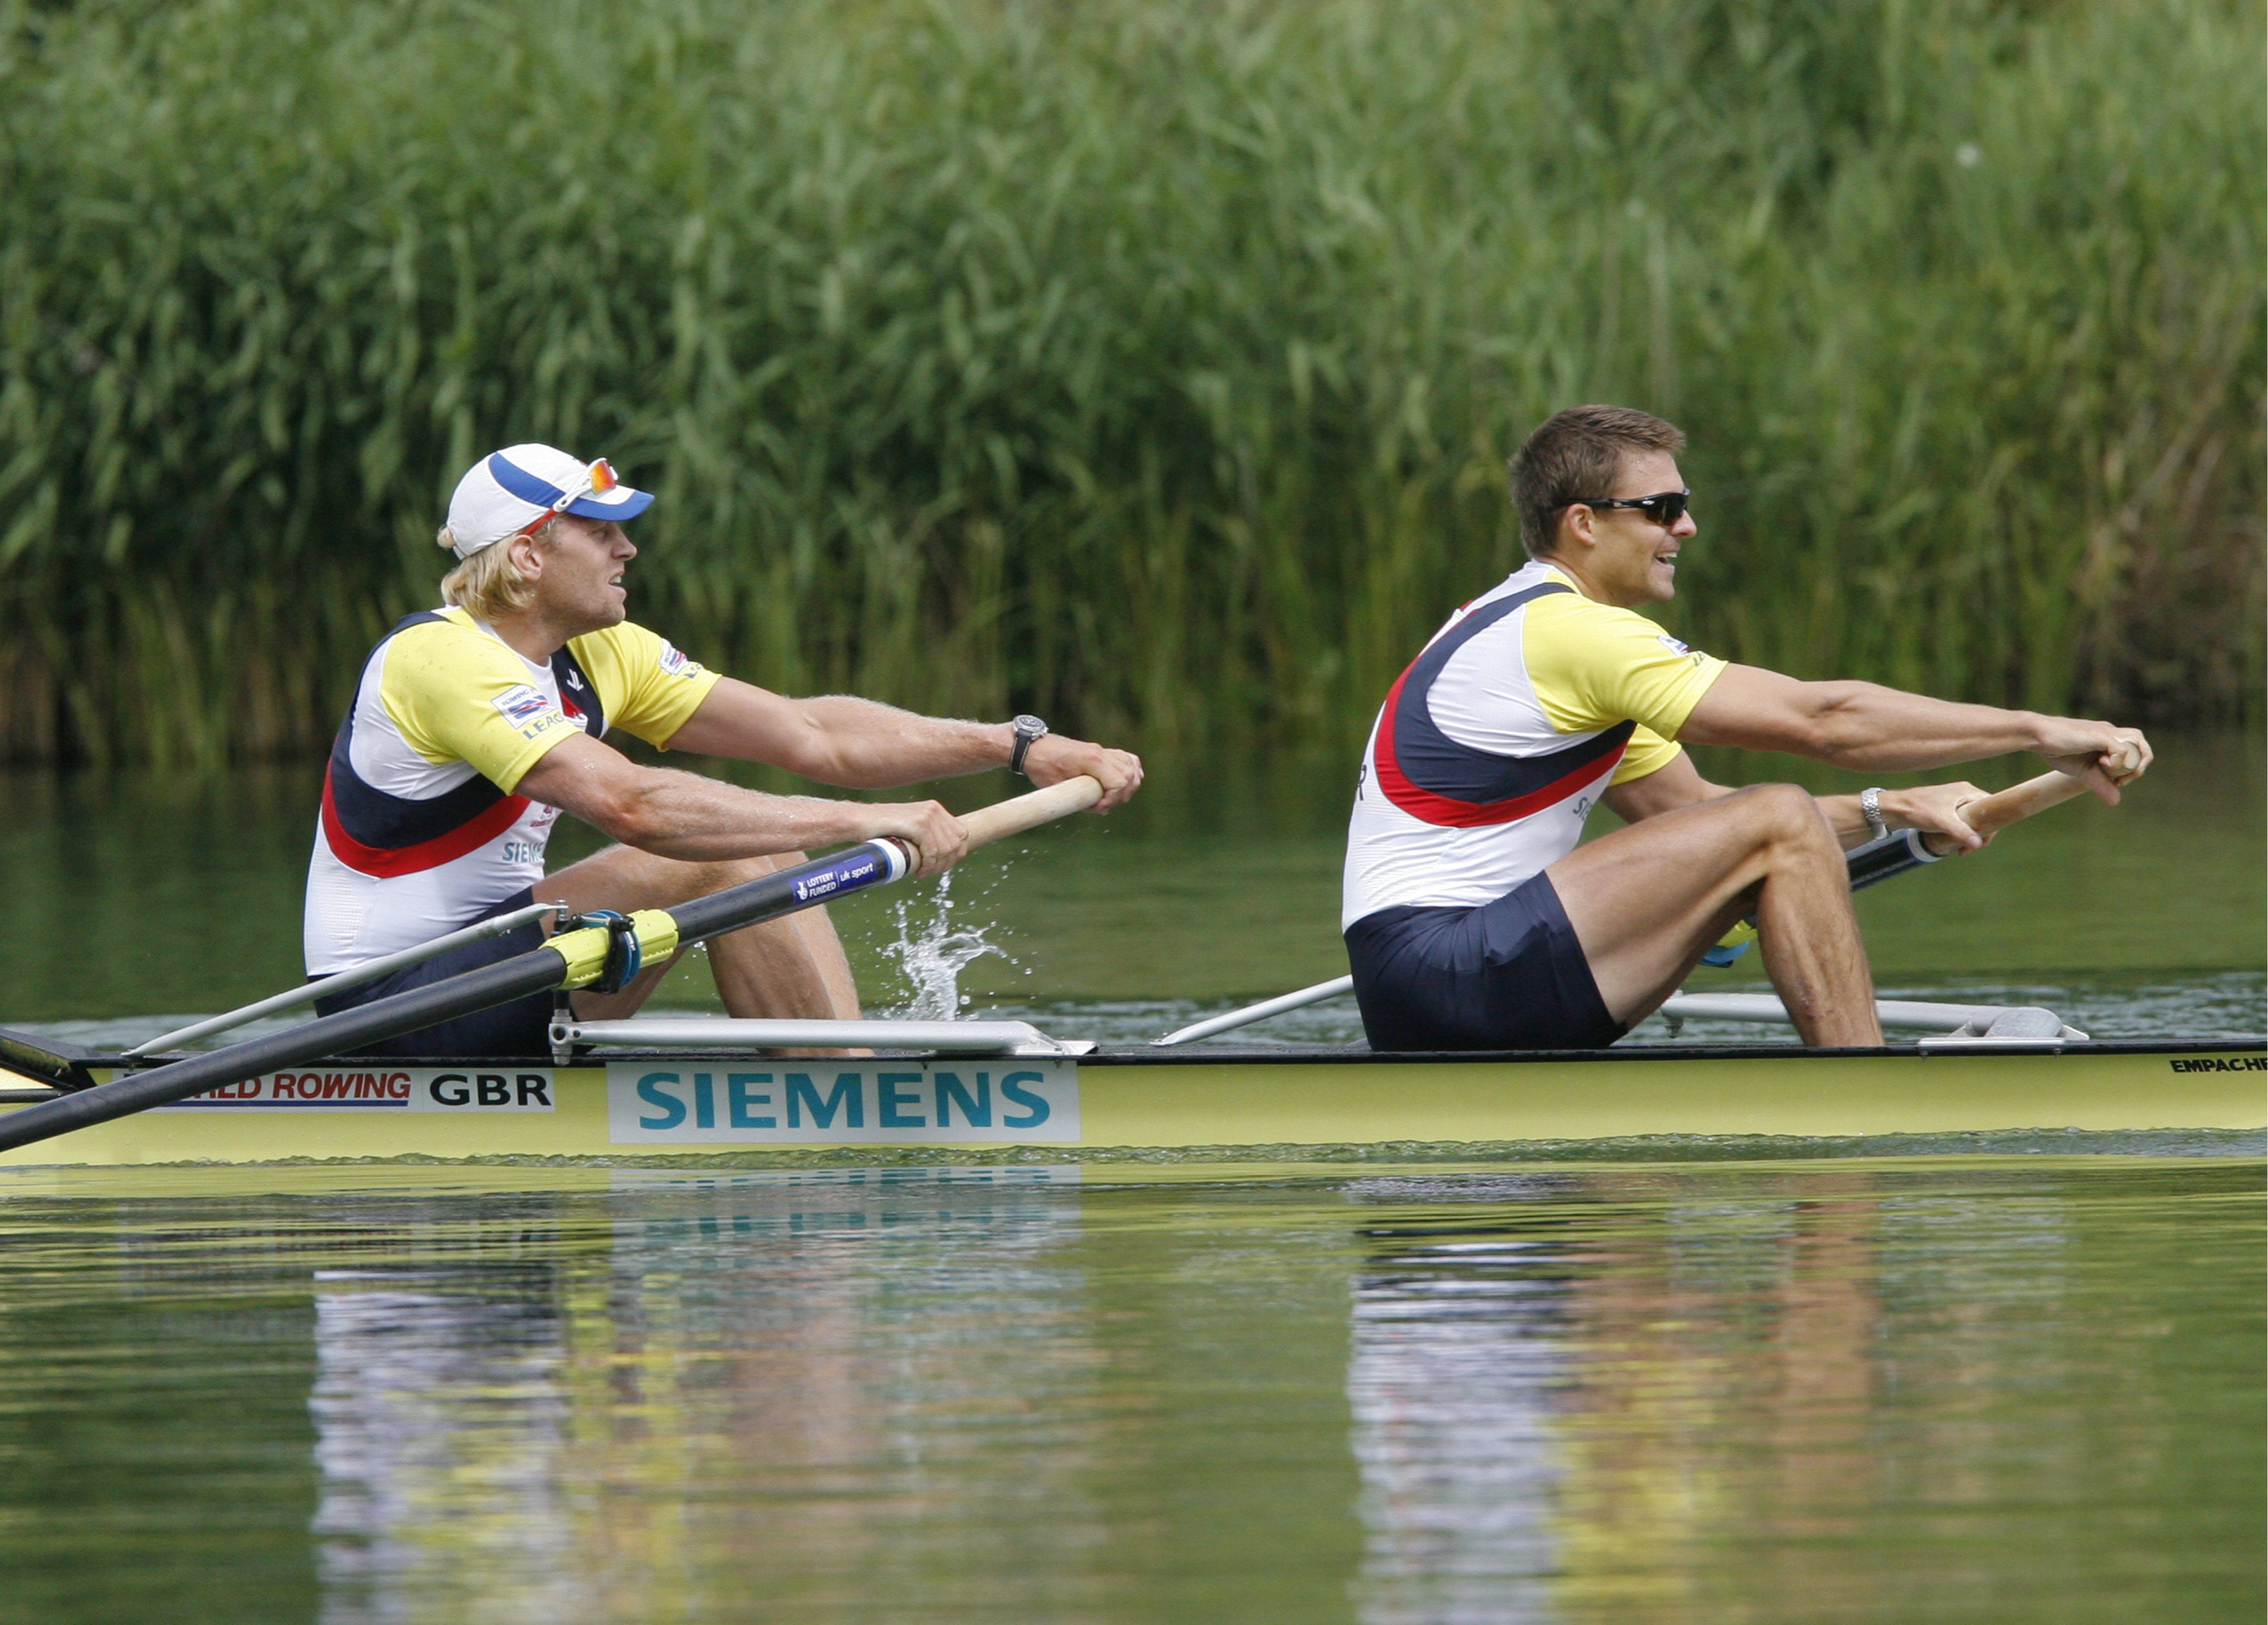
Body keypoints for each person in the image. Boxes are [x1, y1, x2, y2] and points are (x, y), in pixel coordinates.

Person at [1342, 404, 2150, 1051]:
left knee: (1772, 821)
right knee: (1778, 815)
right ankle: (1859, 1093)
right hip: (1447, 969)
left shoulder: (1535, 640)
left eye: (1683, 508)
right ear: (1583, 524)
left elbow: (1693, 819)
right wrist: (2032, 727)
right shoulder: (1568, 631)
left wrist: (1892, 809)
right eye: (1661, 509)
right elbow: (1821, 721)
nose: (1685, 528)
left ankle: (1844, 1081)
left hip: (1434, 985)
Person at [306, 443, 1142, 1056]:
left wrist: (1018, 744)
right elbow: (632, 806)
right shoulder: (438, 658)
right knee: (724, 860)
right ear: (528, 554)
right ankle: (839, 1095)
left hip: (509, 966)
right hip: (387, 1008)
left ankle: (835, 1067)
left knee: (764, 845)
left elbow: (813, 734)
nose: (627, 549)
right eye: (601, 531)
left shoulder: (605, 650)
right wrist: (866, 822)